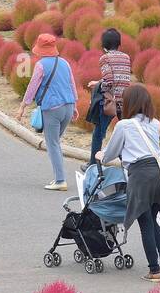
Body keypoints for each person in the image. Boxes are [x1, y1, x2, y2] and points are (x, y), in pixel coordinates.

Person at [95, 85, 160, 282]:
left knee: (145, 223)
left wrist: (101, 155)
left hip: (140, 175)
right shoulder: (155, 123)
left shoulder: (124, 125)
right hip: (159, 174)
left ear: (130, 103)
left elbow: (111, 153)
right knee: (153, 219)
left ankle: (154, 270)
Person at [17, 34, 78, 191]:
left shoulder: (41, 65)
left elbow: (32, 86)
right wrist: (75, 105)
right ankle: (58, 177)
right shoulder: (64, 63)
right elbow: (71, 84)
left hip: (52, 108)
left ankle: (60, 180)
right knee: (55, 142)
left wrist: (23, 106)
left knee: (53, 144)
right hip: (68, 106)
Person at [85, 27, 132, 160]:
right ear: (119, 44)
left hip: (110, 102)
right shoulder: (126, 57)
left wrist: (99, 85)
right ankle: (128, 163)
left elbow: (109, 81)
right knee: (126, 133)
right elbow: (118, 77)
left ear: (103, 45)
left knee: (99, 133)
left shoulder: (104, 58)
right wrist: (99, 81)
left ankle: (94, 164)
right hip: (125, 101)